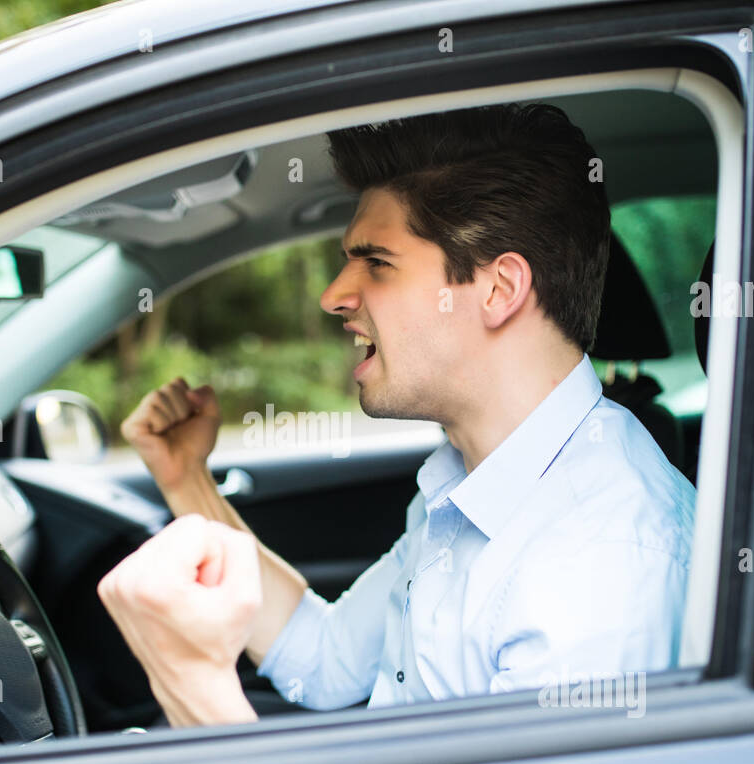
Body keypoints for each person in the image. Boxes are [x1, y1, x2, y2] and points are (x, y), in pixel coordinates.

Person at [98, 103, 697, 728]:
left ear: (498, 290)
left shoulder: (600, 565)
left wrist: (189, 684)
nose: (333, 296)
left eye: (376, 262)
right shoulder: (473, 483)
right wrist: (185, 479)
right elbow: (324, 661)